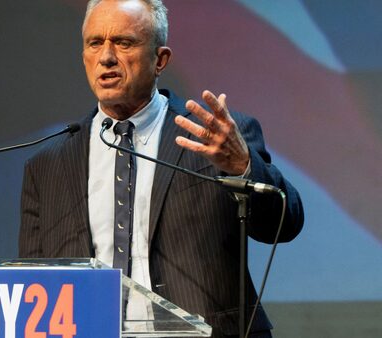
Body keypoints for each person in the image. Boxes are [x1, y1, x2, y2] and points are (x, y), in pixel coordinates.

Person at [19, 0, 304, 337]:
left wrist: (242, 166)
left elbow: (283, 224)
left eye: (123, 43)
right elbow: (35, 281)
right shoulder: (48, 163)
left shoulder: (215, 139)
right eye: (95, 43)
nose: (106, 57)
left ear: (160, 60)